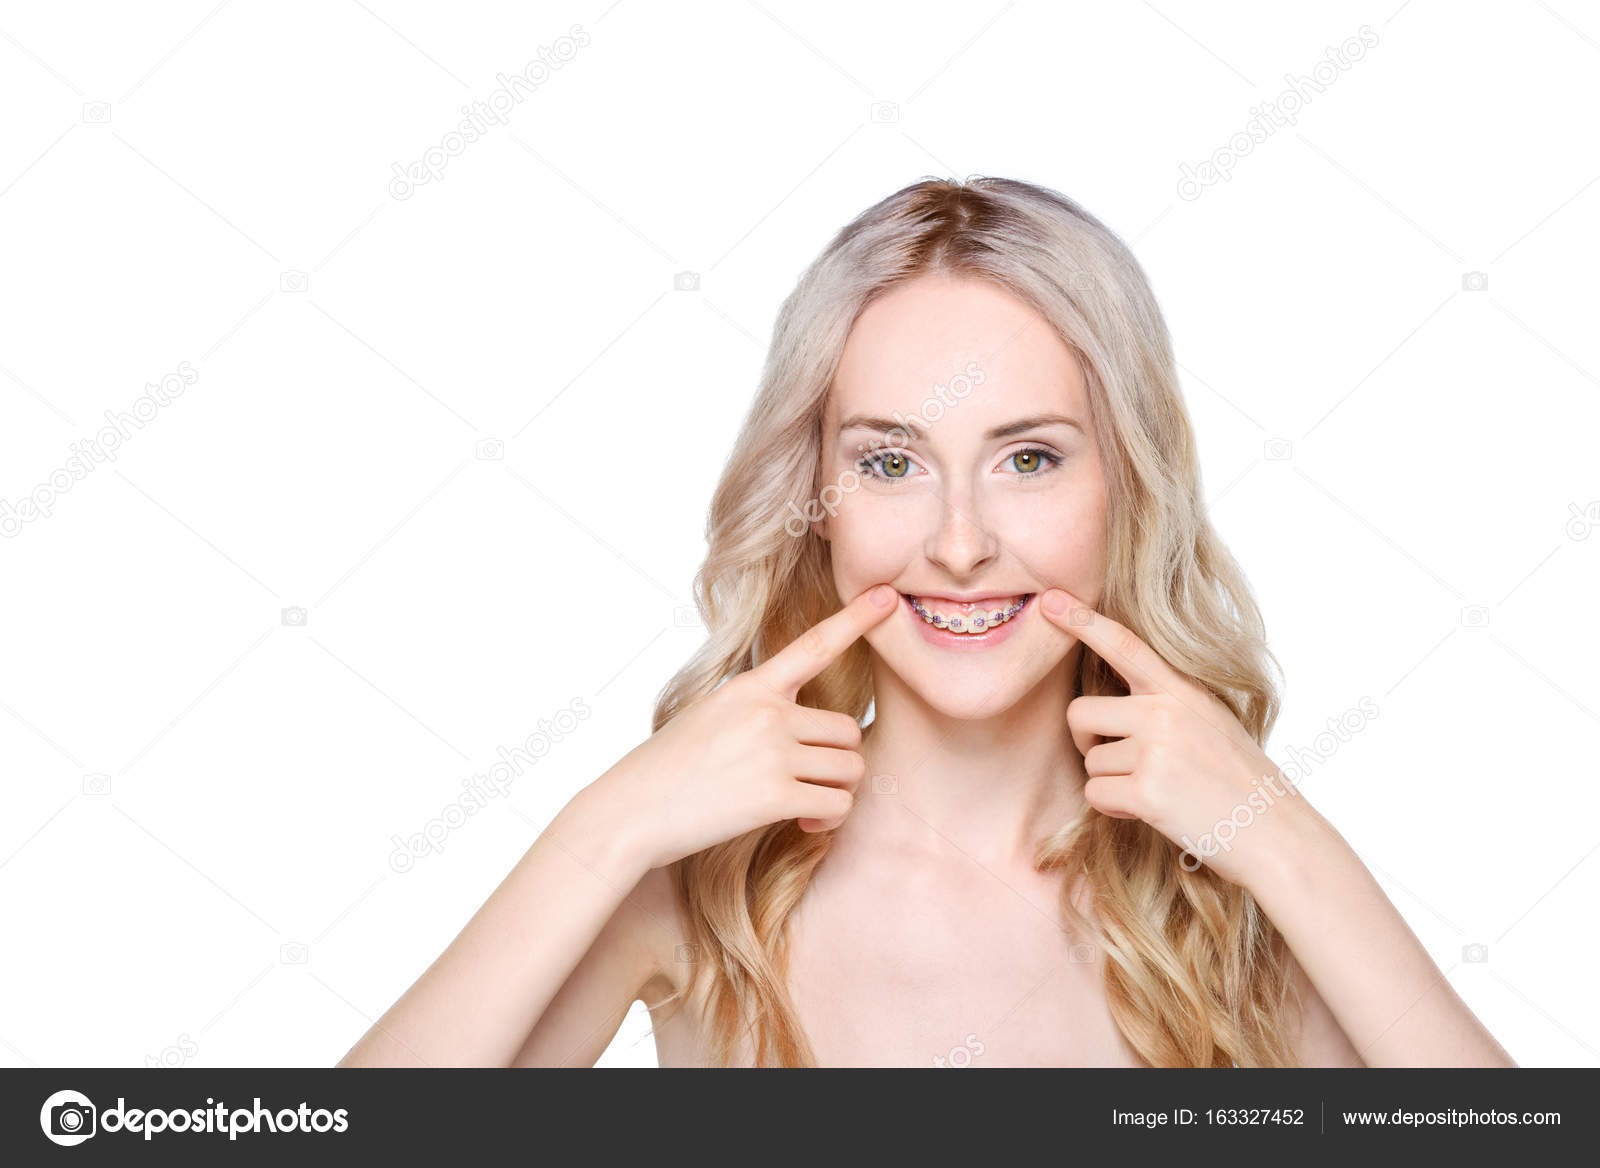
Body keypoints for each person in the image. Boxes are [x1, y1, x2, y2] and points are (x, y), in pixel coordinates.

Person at [338, 177, 1513, 1068]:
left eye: (1030, 458)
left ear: (1128, 488)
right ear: (817, 506)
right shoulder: (704, 893)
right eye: (891, 461)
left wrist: (1282, 836)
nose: (957, 544)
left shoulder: (1218, 904)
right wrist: (606, 827)